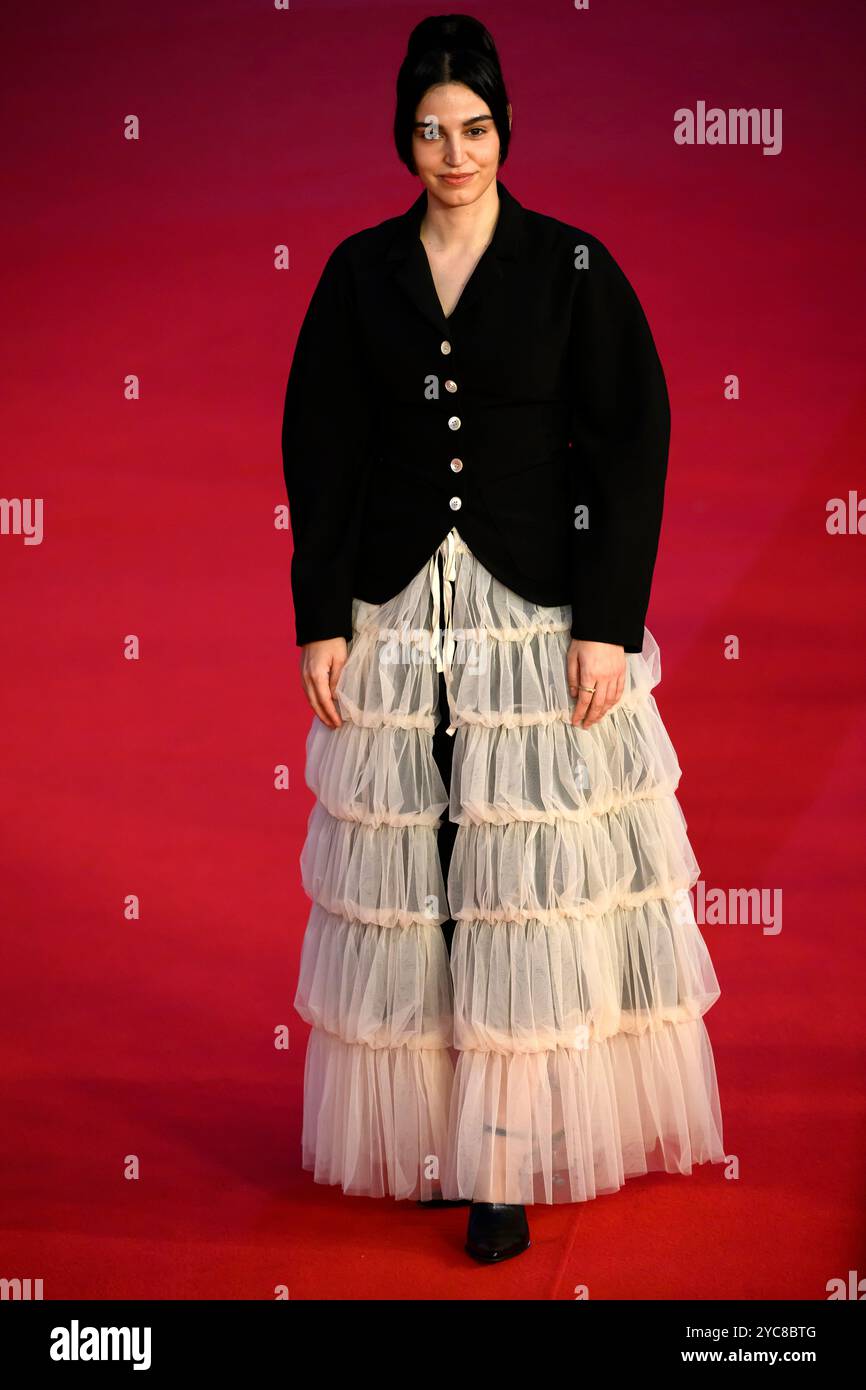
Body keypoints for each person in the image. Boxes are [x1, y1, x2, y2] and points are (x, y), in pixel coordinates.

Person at [281, 13, 725, 1265]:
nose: (452, 150)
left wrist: (606, 627)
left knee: (521, 888)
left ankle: (507, 1156)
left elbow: (630, 445)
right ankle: (440, 1137)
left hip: (535, 619)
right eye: (429, 130)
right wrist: (321, 619)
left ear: (503, 131)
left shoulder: (572, 267)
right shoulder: (356, 273)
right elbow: (322, 452)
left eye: (472, 127)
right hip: (399, 616)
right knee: (423, 881)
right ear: (403, 139)